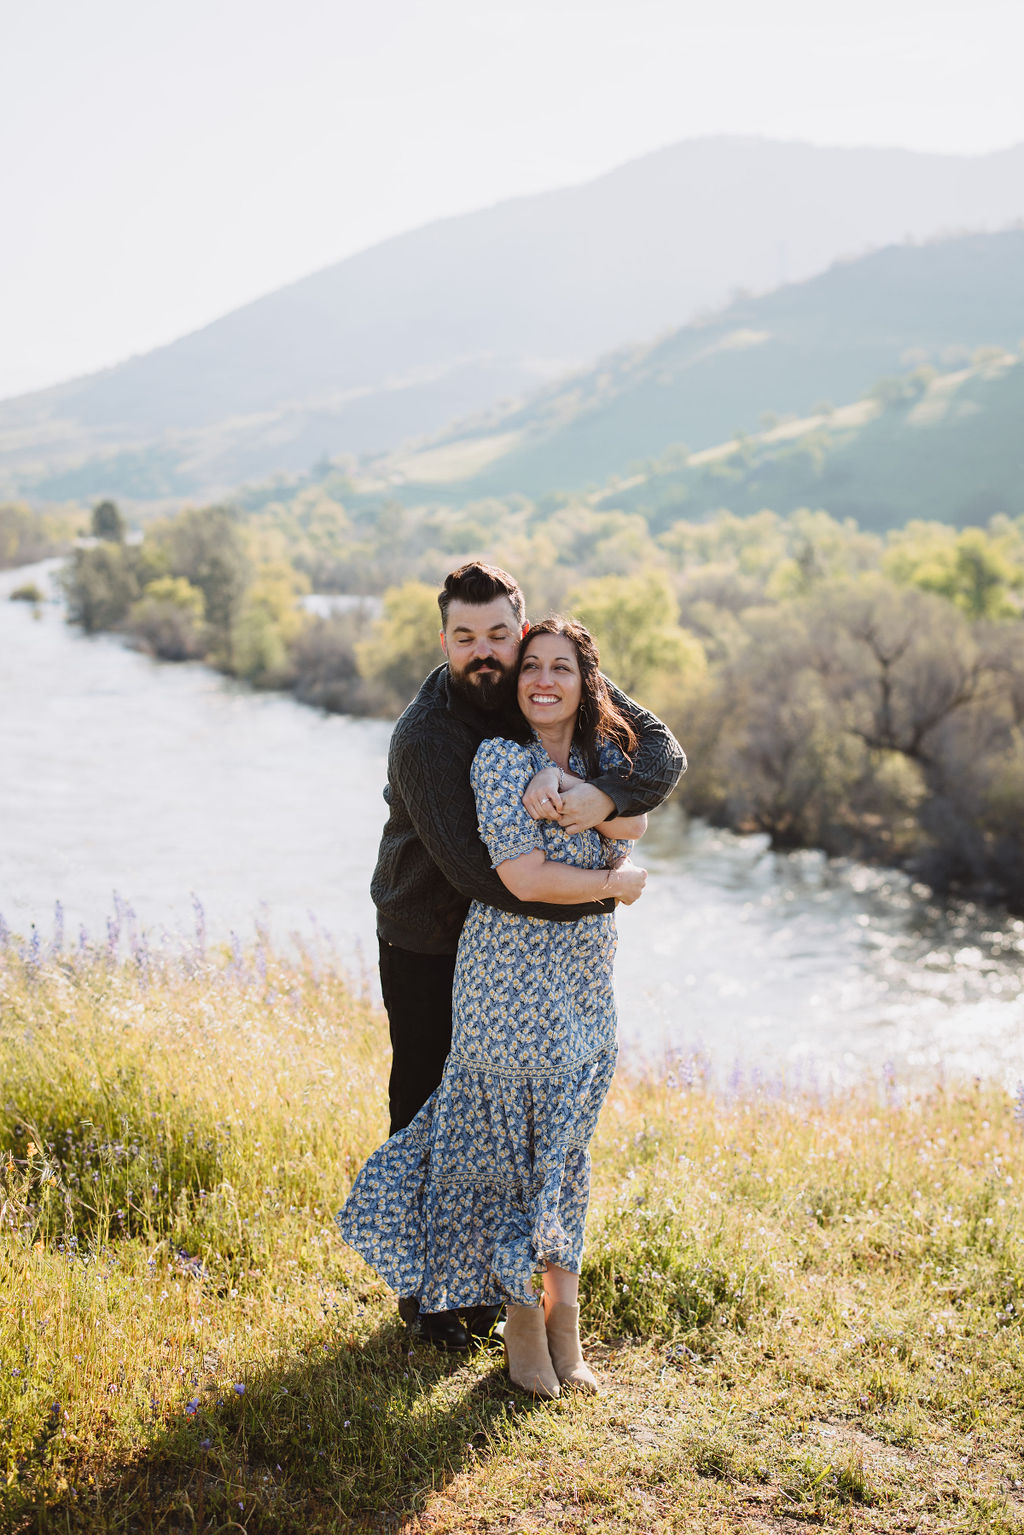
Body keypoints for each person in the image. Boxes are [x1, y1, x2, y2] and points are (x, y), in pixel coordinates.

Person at [367, 561, 685, 1350]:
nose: (487, 652)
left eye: (498, 635)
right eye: (466, 637)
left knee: (501, 1124)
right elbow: (488, 876)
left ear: (519, 627)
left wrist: (609, 800)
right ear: (444, 640)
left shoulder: (538, 674)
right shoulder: (426, 737)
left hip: (513, 948)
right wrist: (611, 888)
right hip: (428, 937)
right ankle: (432, 1301)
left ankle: (500, 1291)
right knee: (432, 1112)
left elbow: (663, 751)